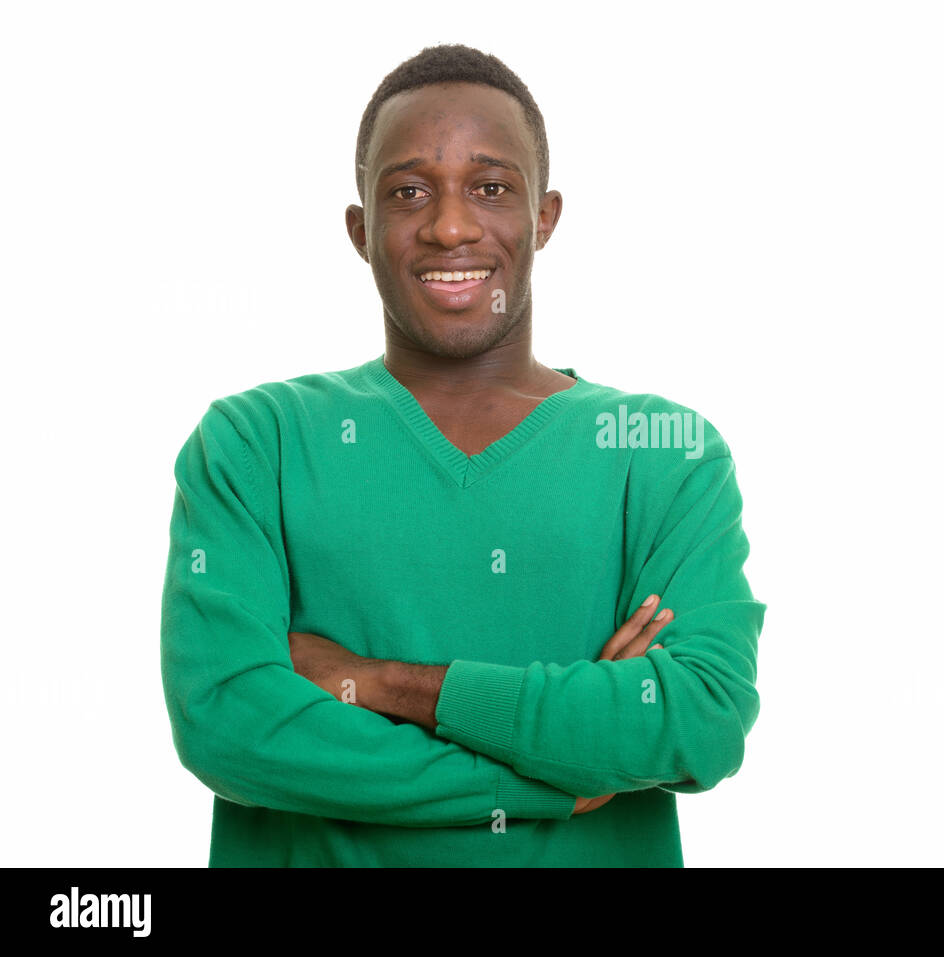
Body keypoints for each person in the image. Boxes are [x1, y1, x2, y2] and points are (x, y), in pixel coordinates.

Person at [160, 43, 764, 867]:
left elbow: (699, 715)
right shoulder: (253, 442)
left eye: (491, 187)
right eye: (409, 192)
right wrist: (556, 771)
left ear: (544, 216)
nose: (450, 225)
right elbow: (227, 722)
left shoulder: (661, 454)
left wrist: (377, 682)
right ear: (360, 228)